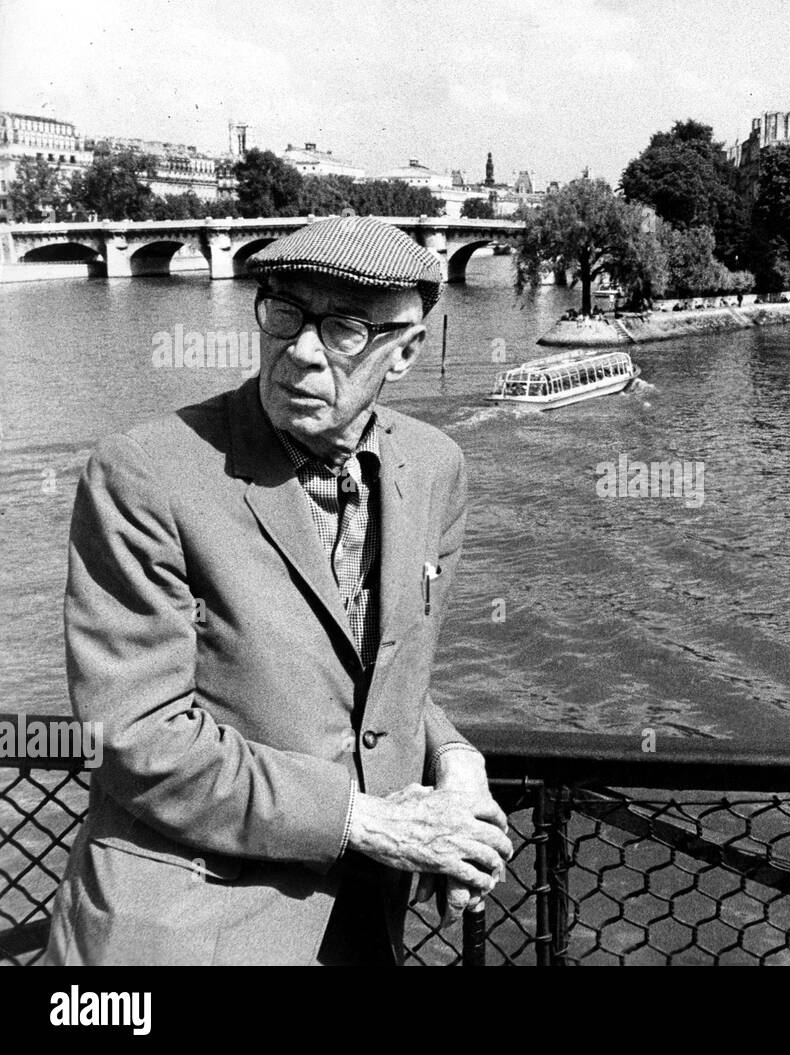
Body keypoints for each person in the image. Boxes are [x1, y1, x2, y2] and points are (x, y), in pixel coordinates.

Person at [41, 216, 512, 966]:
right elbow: (135, 735)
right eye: (285, 312)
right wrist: (369, 823)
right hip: (189, 929)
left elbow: (375, 673)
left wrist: (457, 760)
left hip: (364, 922)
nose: (299, 351)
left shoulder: (435, 468)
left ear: (409, 349)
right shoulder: (144, 472)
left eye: (345, 329)